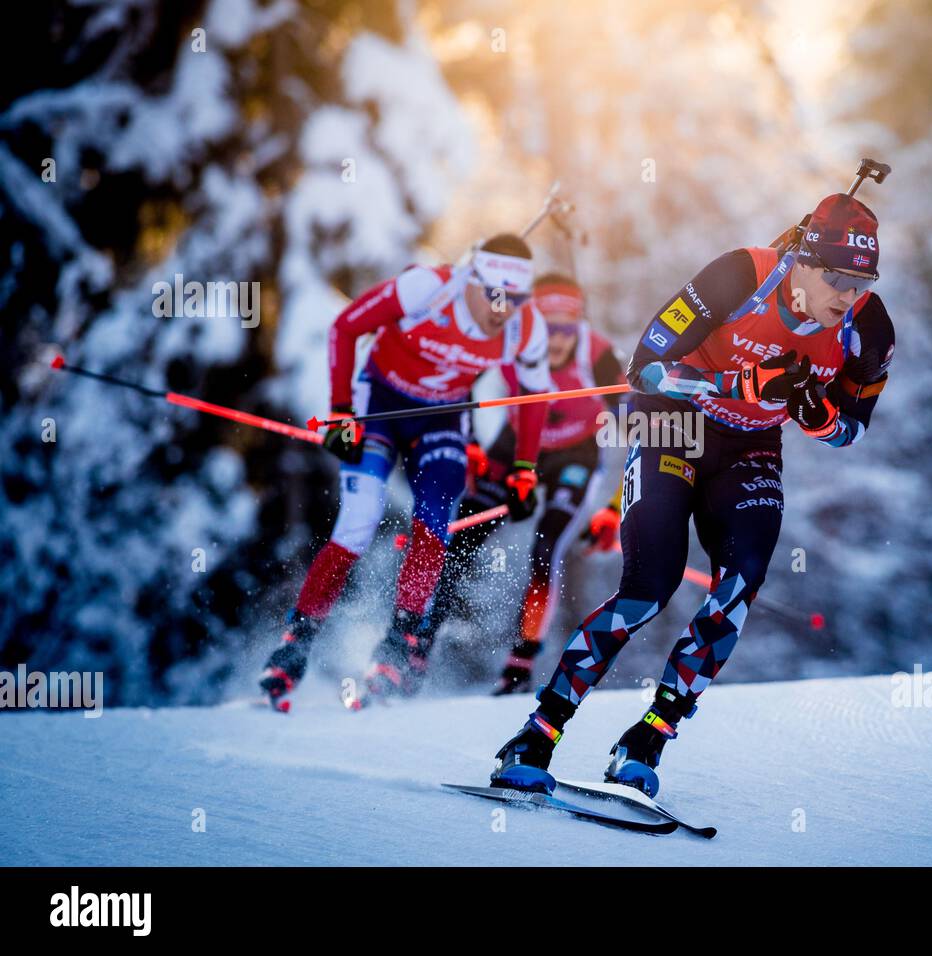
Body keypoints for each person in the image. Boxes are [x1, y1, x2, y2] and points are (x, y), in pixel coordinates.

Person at [489, 193, 896, 796]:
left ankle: (648, 740)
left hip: (750, 448)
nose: (847, 293)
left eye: (860, 281)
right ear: (803, 263)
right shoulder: (742, 274)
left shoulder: (870, 327)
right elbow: (645, 365)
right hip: (671, 424)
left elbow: (850, 430)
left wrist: (816, 416)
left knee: (739, 586)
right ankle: (538, 732)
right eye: (835, 276)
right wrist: (740, 381)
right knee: (650, 588)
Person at [259, 235, 550, 710]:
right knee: (357, 522)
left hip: (443, 418)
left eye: (515, 299)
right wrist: (339, 410)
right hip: (381, 406)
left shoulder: (525, 327)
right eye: (495, 294)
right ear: (473, 281)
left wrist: (523, 470)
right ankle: (294, 645)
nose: (502, 310)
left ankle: (398, 646)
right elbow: (346, 327)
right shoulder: (426, 290)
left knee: (435, 517)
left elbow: (535, 397)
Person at [392, 272, 629, 697]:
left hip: (575, 458)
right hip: (516, 449)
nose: (556, 341)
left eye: (566, 329)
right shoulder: (508, 341)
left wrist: (615, 508)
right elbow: (457, 388)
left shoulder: (599, 356)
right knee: (459, 535)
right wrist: (471, 446)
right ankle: (415, 648)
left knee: (546, 546)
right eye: (547, 327)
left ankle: (519, 668)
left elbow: (644, 433)